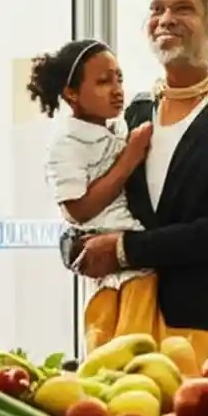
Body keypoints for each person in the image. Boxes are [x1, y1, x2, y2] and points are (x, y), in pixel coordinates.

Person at [74, 0, 208, 364]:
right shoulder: (134, 112)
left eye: (183, 9)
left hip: (193, 329)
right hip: (116, 322)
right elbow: (104, 205)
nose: (166, 19)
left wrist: (124, 249)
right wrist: (78, 246)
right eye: (156, 9)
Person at [27, 39, 155, 350]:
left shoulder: (117, 128)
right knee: (111, 348)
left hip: (132, 256)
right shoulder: (66, 143)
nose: (116, 89)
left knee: (133, 346)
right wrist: (129, 159)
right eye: (102, 81)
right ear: (71, 94)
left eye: (119, 78)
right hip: (107, 260)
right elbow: (77, 211)